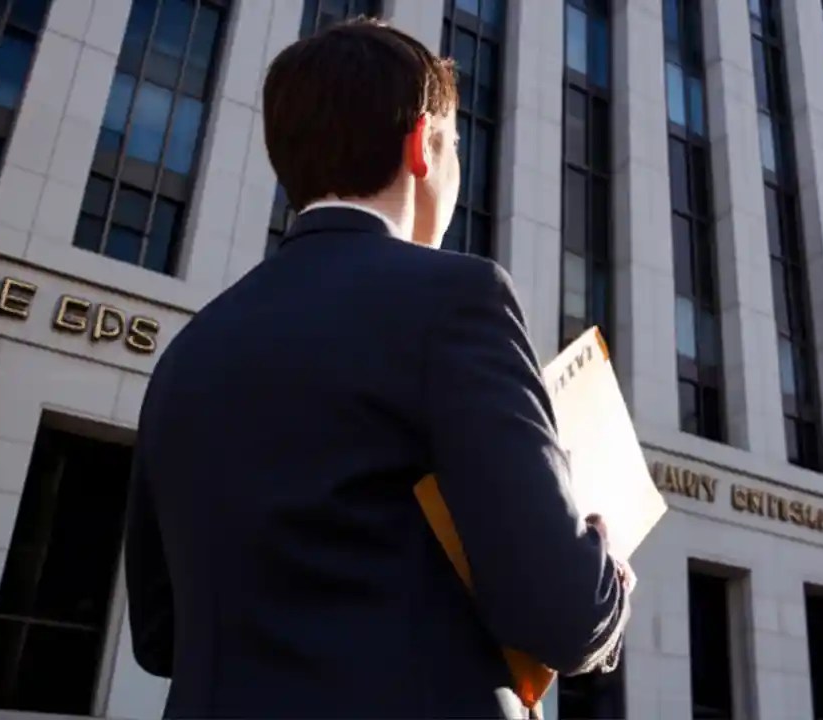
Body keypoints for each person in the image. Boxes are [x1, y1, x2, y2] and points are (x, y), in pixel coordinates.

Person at [123, 17, 633, 720]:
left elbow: (158, 636)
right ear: (421, 146)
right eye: (454, 145)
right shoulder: (460, 298)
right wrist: (606, 573)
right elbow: (562, 613)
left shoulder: (188, 350)